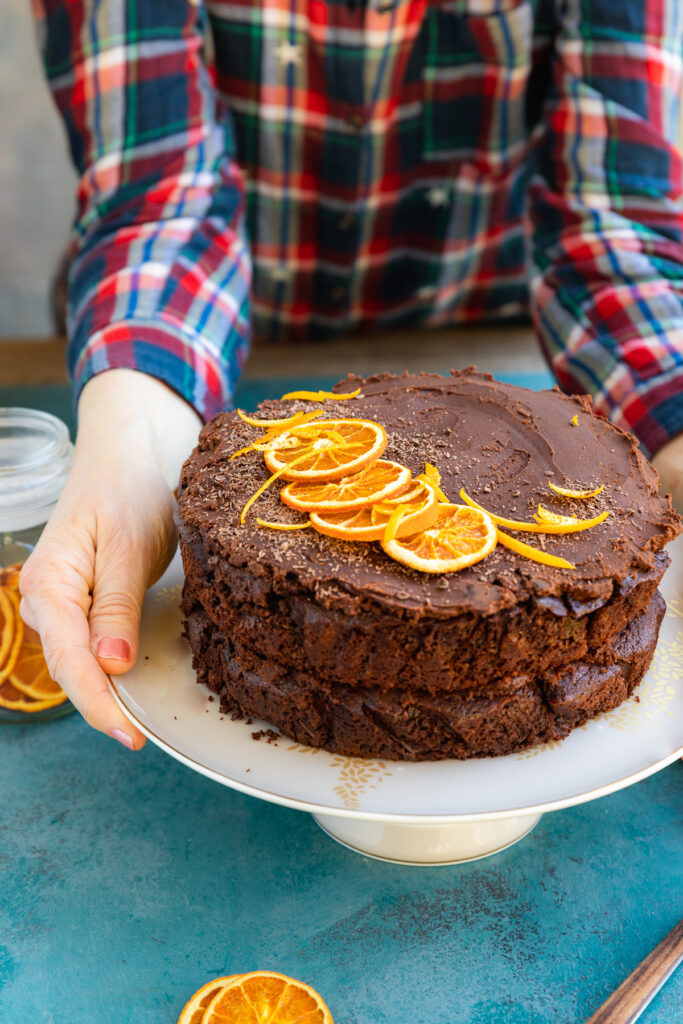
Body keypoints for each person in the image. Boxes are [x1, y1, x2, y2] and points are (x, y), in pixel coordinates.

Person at [20, 0, 683, 751]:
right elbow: (160, 202)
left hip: (479, 353)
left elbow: (615, 220)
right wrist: (130, 447)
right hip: (224, 364)